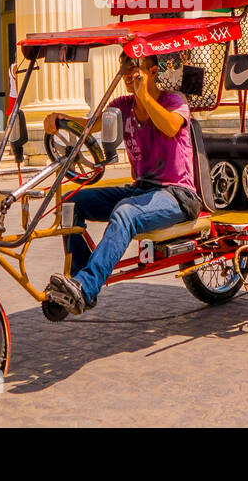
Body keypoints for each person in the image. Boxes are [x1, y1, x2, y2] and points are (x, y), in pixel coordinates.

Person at [42, 52, 200, 315]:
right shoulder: (122, 106)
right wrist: (60, 120)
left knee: (125, 212)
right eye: (124, 68)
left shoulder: (173, 100)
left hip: (178, 194)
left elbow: (171, 127)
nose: (128, 74)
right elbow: (90, 126)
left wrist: (145, 97)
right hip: (142, 189)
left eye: (135, 67)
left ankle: (86, 286)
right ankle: (78, 283)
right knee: (72, 202)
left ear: (152, 71)